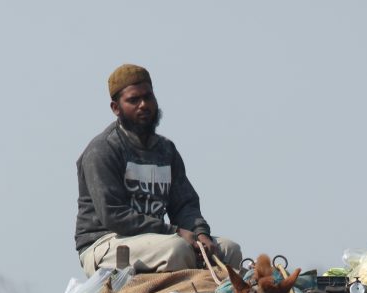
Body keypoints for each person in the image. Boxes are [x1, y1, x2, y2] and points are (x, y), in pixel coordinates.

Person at [75, 64, 242, 275]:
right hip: (105, 242)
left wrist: (200, 234)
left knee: (229, 251)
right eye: (133, 100)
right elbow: (114, 215)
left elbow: (185, 205)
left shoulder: (166, 150)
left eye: (148, 97)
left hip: (158, 239)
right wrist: (174, 232)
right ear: (116, 108)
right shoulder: (102, 150)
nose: (143, 105)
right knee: (177, 250)